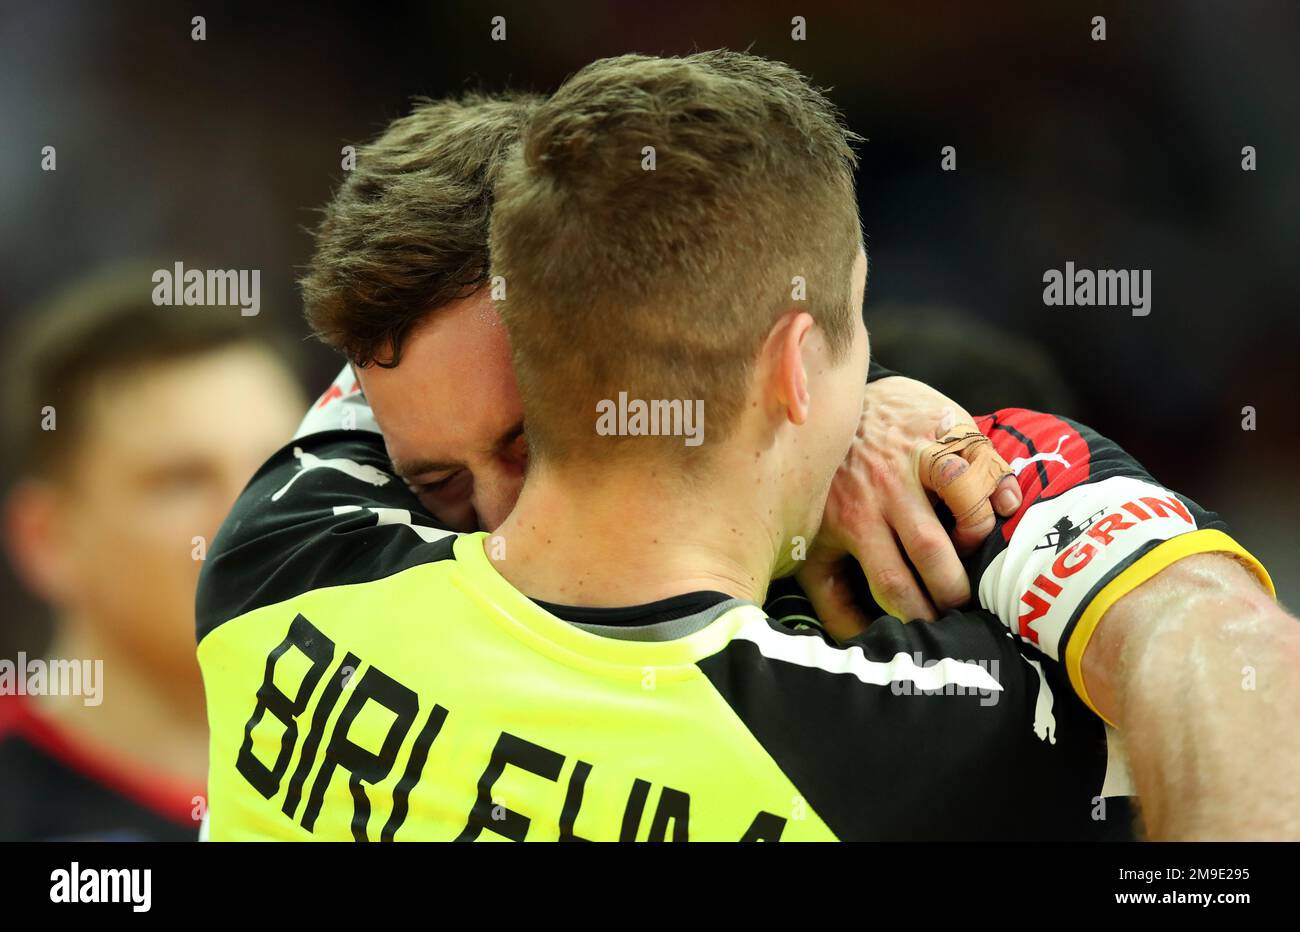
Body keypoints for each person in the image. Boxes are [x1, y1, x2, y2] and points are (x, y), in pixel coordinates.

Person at [197, 52, 1292, 840]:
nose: (486, 508)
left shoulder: (278, 563)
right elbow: (1225, 664)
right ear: (794, 358)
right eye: (432, 479)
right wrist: (825, 406)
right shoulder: (921, 739)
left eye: (527, 429)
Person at [298, 91, 1020, 628]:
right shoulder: (298, 563)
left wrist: (844, 416)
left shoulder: (917, 486)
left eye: (532, 440)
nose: (500, 531)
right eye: (442, 483)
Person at [0, 268, 303, 840]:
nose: (254, 514)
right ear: (47, 541)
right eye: (181, 481)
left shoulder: (405, 789)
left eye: (277, 466)